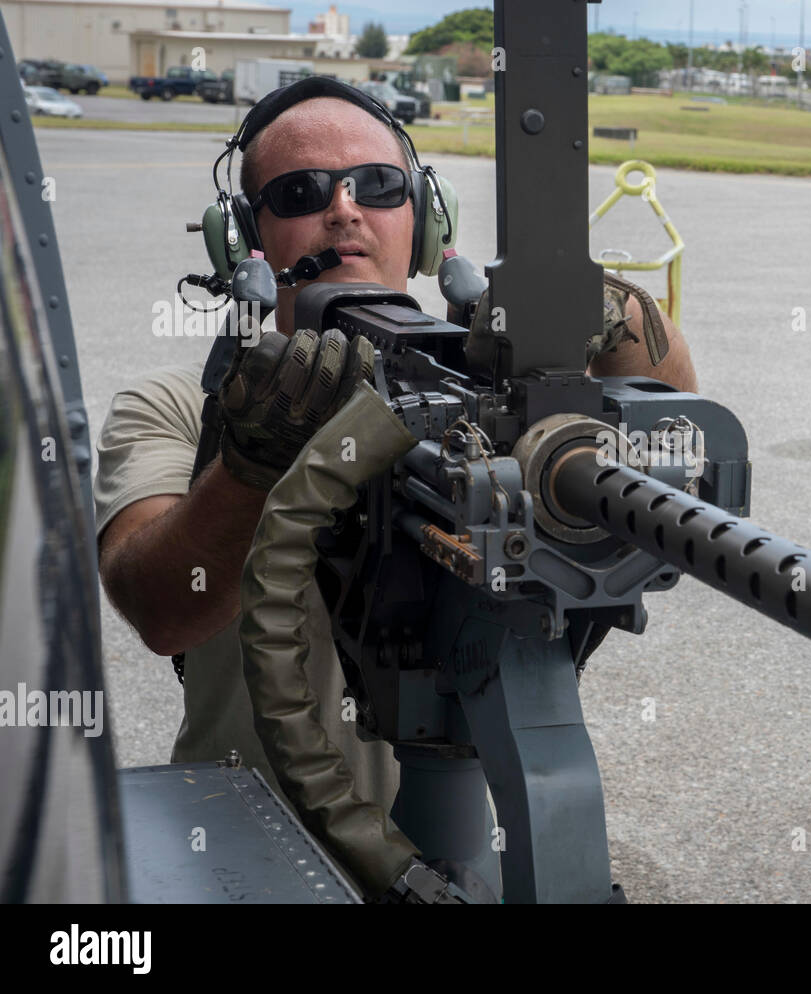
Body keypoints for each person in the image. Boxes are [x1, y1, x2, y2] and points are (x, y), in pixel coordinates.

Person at [94, 79, 699, 815]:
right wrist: (256, 461)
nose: (344, 209)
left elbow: (674, 433)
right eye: (301, 191)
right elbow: (161, 607)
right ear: (244, 240)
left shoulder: (491, 391)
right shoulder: (178, 407)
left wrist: (604, 310)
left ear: (425, 222)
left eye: (378, 186)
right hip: (247, 846)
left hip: (485, 840)